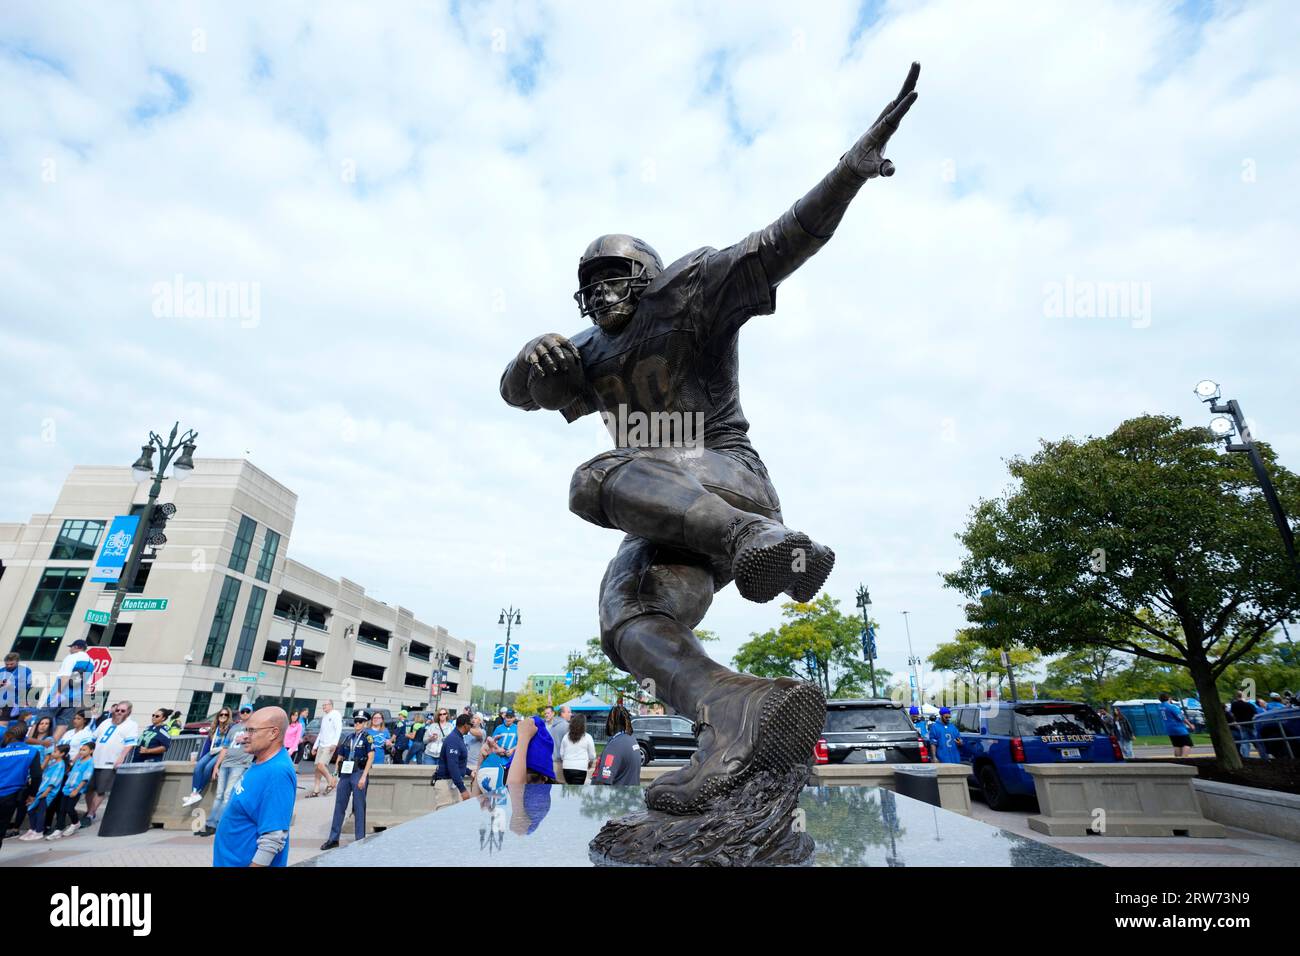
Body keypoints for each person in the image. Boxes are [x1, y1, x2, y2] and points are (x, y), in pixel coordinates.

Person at [499, 64, 921, 813]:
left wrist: (849, 174)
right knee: (626, 614)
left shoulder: (689, 292)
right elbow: (515, 393)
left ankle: (759, 540)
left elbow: (777, 242)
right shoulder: (587, 350)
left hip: (729, 481)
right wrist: (529, 356)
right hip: (669, 513)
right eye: (588, 283)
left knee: (595, 476)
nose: (601, 292)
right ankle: (739, 711)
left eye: (615, 274)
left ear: (648, 275)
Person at [212, 706, 297, 867]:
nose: (244, 736)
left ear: (273, 733)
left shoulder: (277, 772)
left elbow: (273, 838)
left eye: (251, 731)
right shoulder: (259, 762)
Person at [320, 712, 374, 851]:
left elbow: (370, 757)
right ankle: (333, 839)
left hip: (358, 772)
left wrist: (364, 776)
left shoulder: (367, 738)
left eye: (361, 722)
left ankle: (360, 839)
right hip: (345, 773)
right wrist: (334, 775)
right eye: (356, 721)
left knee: (359, 807)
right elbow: (340, 756)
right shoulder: (348, 737)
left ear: (366, 723)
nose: (357, 724)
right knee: (339, 806)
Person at [200, 703, 254, 837]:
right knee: (219, 795)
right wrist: (216, 766)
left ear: (252, 713)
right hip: (226, 763)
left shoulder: (254, 728)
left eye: (248, 711)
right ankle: (210, 824)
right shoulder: (234, 728)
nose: (245, 714)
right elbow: (225, 747)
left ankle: (219, 824)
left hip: (240, 764)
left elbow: (257, 743)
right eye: (243, 711)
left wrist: (247, 738)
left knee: (227, 795)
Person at [83, 700, 139, 827]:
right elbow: (94, 738)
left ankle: (90, 814)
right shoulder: (106, 721)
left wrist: (121, 758)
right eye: (117, 710)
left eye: (122, 711)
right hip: (94, 760)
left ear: (128, 712)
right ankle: (89, 810)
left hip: (110, 762)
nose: (119, 712)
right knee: (88, 789)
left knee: (100, 790)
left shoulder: (131, 725)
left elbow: (130, 744)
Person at [41, 638, 96, 742]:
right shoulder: (92, 663)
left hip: (62, 694)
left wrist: (57, 693)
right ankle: (52, 745)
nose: (70, 650)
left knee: (43, 718)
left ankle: (37, 744)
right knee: (63, 723)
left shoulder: (72, 657)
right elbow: (87, 683)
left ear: (76, 647)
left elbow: (65, 677)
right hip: (75, 698)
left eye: (71, 647)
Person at [0, 722, 42, 850]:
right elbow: (36, 776)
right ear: (26, 735)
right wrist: (32, 795)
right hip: (10, 796)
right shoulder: (32, 751)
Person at [183, 707, 234, 806]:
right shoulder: (214, 727)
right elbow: (207, 744)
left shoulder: (230, 728)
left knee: (208, 768)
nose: (223, 716)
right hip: (212, 751)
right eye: (221, 714)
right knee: (198, 766)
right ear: (218, 716)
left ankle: (197, 792)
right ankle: (194, 793)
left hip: (221, 751)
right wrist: (201, 758)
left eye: (226, 715)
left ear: (228, 717)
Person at [21, 742, 68, 841]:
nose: (52, 753)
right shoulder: (53, 763)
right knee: (31, 809)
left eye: (55, 752)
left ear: (62, 754)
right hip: (40, 789)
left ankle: (39, 831)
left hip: (46, 792)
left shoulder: (60, 765)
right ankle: (33, 828)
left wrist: (46, 792)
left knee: (40, 811)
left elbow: (55, 780)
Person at [48, 741, 93, 839]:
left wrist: (77, 790)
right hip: (67, 788)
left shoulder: (90, 763)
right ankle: (58, 830)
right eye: (80, 750)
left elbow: (86, 778)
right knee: (61, 810)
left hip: (76, 790)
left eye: (84, 750)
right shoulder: (78, 761)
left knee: (70, 808)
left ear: (91, 751)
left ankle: (76, 823)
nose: (81, 752)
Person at [431, 713, 474, 808]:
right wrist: (462, 789)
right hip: (446, 784)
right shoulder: (453, 739)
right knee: (444, 819)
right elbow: (452, 765)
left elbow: (457, 763)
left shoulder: (458, 738)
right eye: (470, 725)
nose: (471, 727)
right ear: (465, 725)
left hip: (452, 783)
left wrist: (469, 772)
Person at [592, 705, 640, 785]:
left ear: (611, 721)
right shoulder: (632, 739)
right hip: (631, 794)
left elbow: (604, 780)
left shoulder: (615, 746)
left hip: (617, 795)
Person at [309, 699, 342, 798]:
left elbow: (338, 729)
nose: (323, 707)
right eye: (323, 705)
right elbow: (321, 733)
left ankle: (331, 781)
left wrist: (334, 744)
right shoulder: (324, 717)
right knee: (317, 769)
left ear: (331, 705)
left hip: (329, 745)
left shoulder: (336, 714)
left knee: (320, 765)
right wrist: (315, 746)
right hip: (322, 745)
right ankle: (316, 790)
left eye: (325, 705)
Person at [559, 713, 596, 784]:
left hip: (567, 767)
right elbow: (592, 755)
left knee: (569, 789)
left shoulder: (566, 737)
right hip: (581, 768)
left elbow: (562, 754)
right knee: (578, 790)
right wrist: (590, 762)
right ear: (583, 725)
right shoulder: (588, 737)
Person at [1159, 692, 1194, 757]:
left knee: (1177, 745)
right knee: (1187, 744)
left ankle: (1178, 759)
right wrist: (1190, 725)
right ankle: (1184, 758)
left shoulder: (1160, 707)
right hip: (1178, 728)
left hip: (1169, 728)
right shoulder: (1172, 707)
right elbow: (1181, 717)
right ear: (1169, 698)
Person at [1229, 691, 1259, 759]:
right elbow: (1255, 715)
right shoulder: (1249, 705)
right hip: (1250, 724)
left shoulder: (1234, 705)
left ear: (1237, 696)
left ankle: (1246, 757)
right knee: (1257, 740)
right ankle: (1263, 755)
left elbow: (1232, 714)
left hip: (1241, 724)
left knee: (1245, 741)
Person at [548, 704, 570, 780]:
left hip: (551, 762)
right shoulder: (567, 726)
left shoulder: (552, 726)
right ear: (563, 713)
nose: (571, 714)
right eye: (569, 712)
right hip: (561, 763)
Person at [465, 713, 487, 784]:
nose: (473, 720)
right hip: (464, 763)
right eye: (473, 718)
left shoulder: (482, 732)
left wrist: (467, 726)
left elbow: (477, 734)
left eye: (476, 718)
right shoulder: (467, 732)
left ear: (480, 721)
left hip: (475, 764)